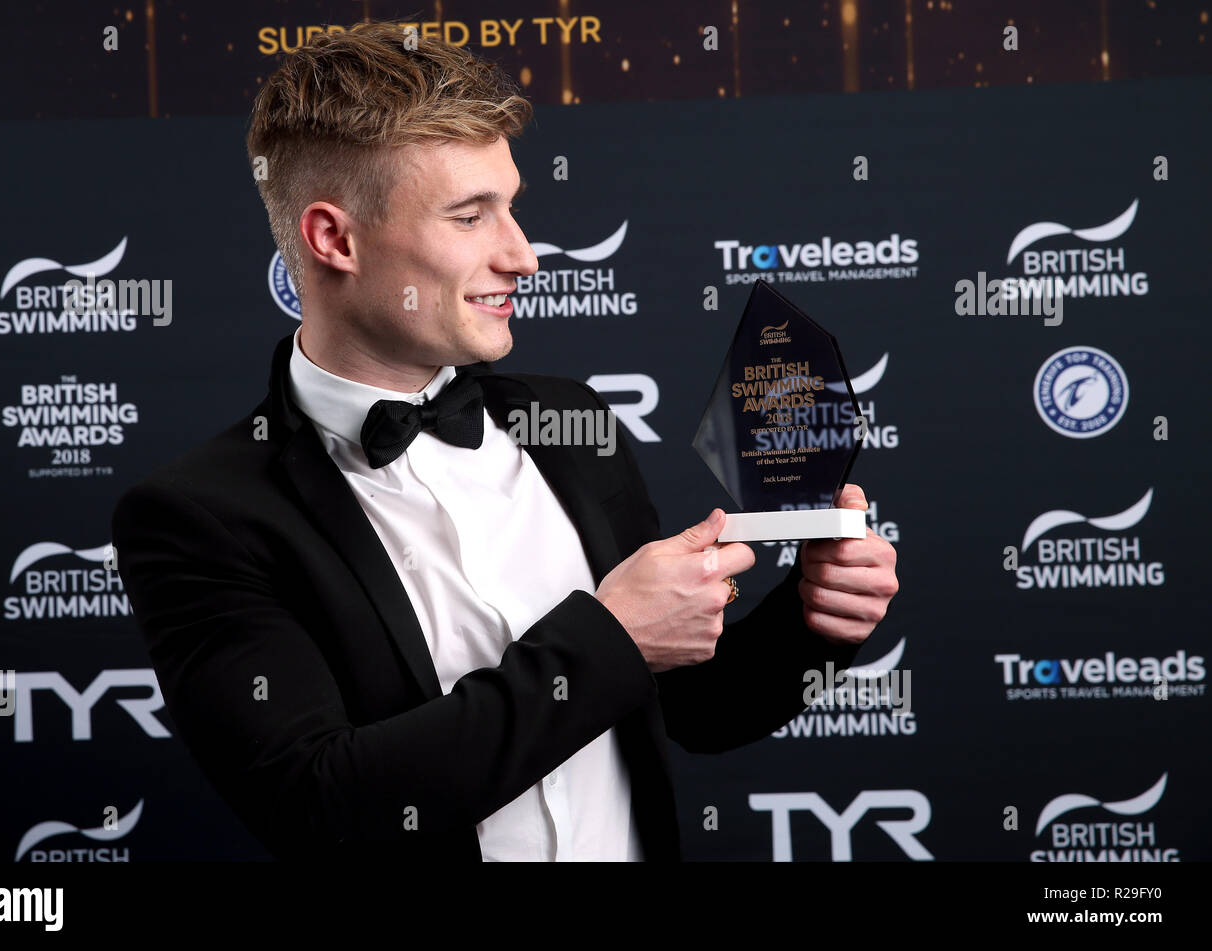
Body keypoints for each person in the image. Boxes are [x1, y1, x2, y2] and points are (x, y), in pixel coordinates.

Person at [110, 23, 899, 862]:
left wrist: (813, 623)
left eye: (512, 205)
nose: (522, 254)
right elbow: (322, 805)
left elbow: (690, 711)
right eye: (469, 215)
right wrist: (610, 637)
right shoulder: (202, 516)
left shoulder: (572, 425)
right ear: (334, 239)